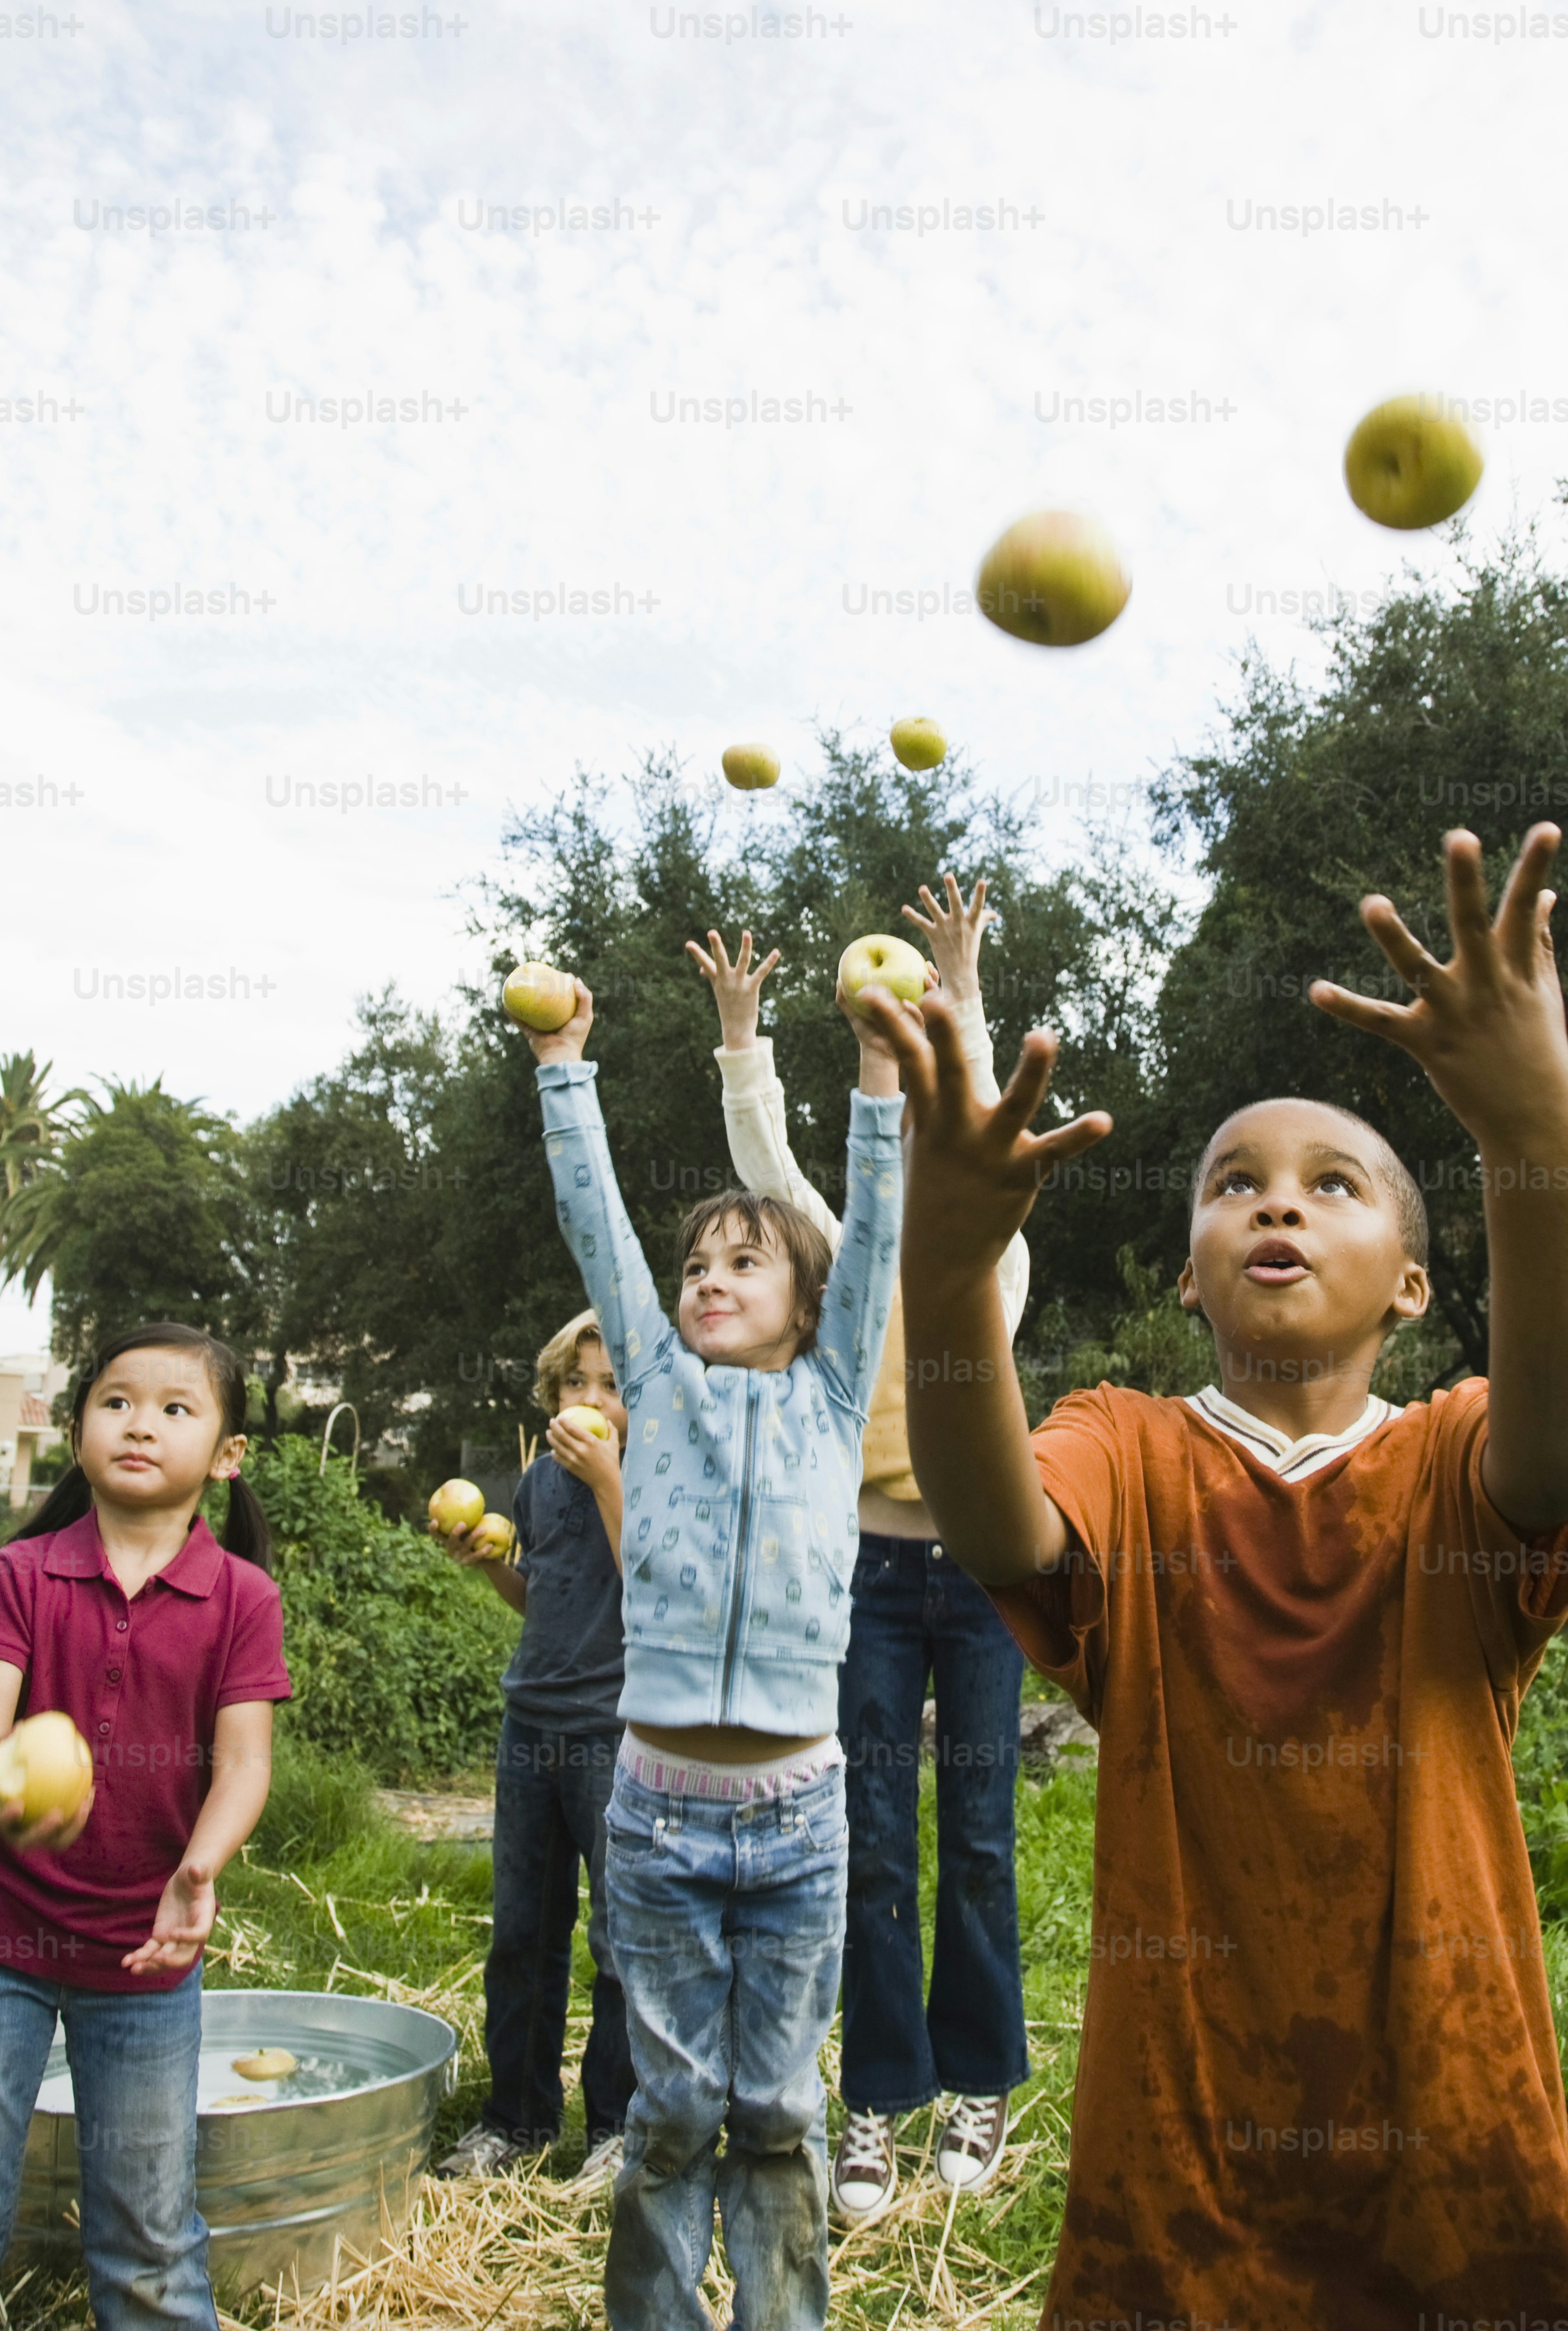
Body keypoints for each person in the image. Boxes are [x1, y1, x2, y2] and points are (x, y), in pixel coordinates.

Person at [866, 826, 1568, 2331]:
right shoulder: (1125, 1446)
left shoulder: (1457, 1455)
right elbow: (994, 1524)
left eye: (1334, 1183)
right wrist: (945, 1273)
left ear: (1414, 1282)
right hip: (1180, 2146)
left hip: (1449, 2128)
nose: (1279, 1202)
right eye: (1236, 1184)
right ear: (1190, 1265)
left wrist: (1539, 1131)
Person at [513, 965, 905, 2331]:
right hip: (661, 1816)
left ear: (806, 1299)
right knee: (674, 2107)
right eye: (696, 1266)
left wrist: (875, 1074)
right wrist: (566, 1062)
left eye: (746, 1261)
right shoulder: (659, 1387)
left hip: (798, 1816)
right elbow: (596, 1225)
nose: (705, 1279)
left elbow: (881, 1241)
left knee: (782, 2105)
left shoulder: (834, 1388)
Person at [688, 874, 1032, 2222]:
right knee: (874, 1838)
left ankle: (979, 2079)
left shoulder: (995, 1264)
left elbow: (984, 1116)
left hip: (989, 1574)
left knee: (982, 1836)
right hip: (872, 1581)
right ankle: (879, 2105)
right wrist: (742, 1039)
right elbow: (768, 1164)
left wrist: (960, 995)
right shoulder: (838, 1254)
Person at [0, 1323, 289, 2331]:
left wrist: (197, 1870)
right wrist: (3, 1786)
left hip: (148, 1959)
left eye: (174, 1408)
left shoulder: (242, 1597)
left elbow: (243, 1762)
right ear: (78, 1434)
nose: (140, 1425)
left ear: (228, 1456)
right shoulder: (20, 1576)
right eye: (115, 1402)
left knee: (148, 2229)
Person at [435, 1308, 636, 2190]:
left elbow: (661, 1581)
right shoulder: (537, 1482)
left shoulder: (655, 1475)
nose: (590, 1400)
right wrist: (484, 1560)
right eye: (574, 1383)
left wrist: (611, 1482)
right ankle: (514, 2120)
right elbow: (542, 1597)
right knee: (522, 1929)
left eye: (612, 1384)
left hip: (618, 1729)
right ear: (552, 1393)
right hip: (533, 1724)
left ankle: (619, 2125)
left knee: (622, 1940)